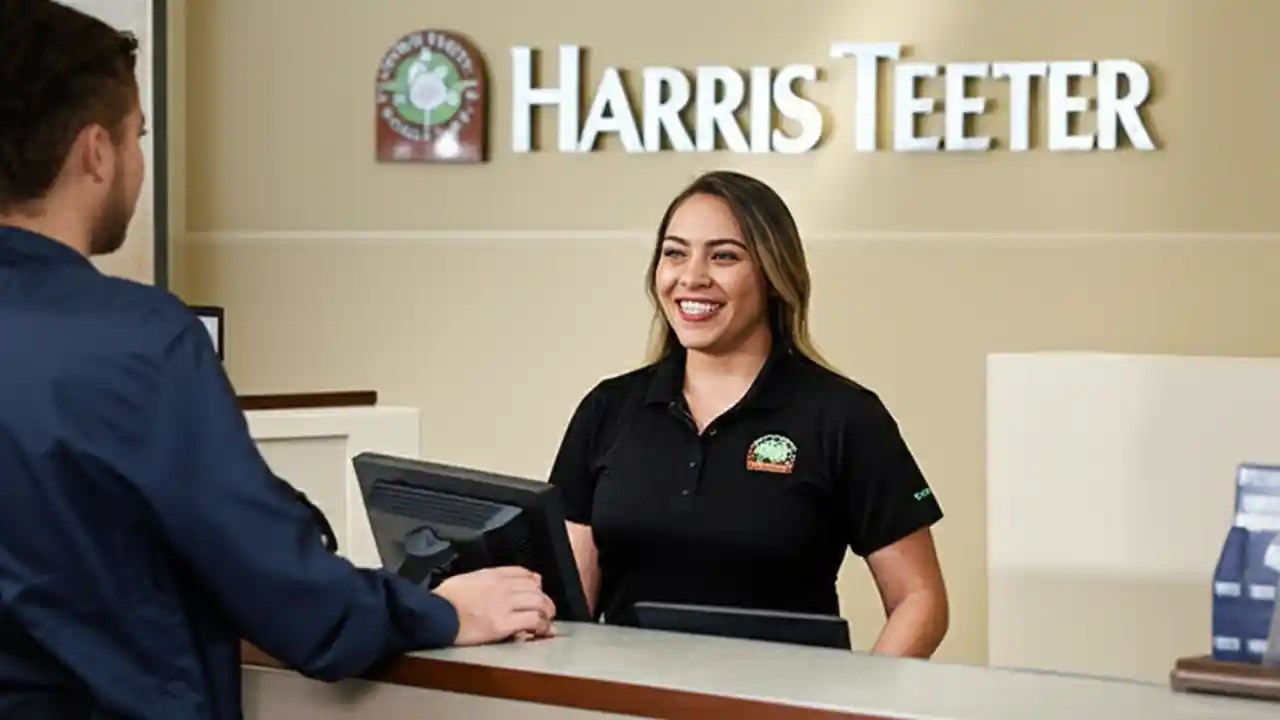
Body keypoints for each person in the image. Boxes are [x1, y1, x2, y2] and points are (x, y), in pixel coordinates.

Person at [0, 3, 554, 718]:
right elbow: (298, 605)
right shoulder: (140, 341)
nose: (140, 158)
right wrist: (445, 612)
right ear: (95, 153)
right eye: (138, 136)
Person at [547, 169, 948, 658]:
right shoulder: (607, 409)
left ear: (774, 276)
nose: (691, 277)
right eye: (675, 253)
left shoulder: (844, 416)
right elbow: (571, 608)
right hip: (630, 703)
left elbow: (920, 599)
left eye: (724, 256)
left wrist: (853, 709)